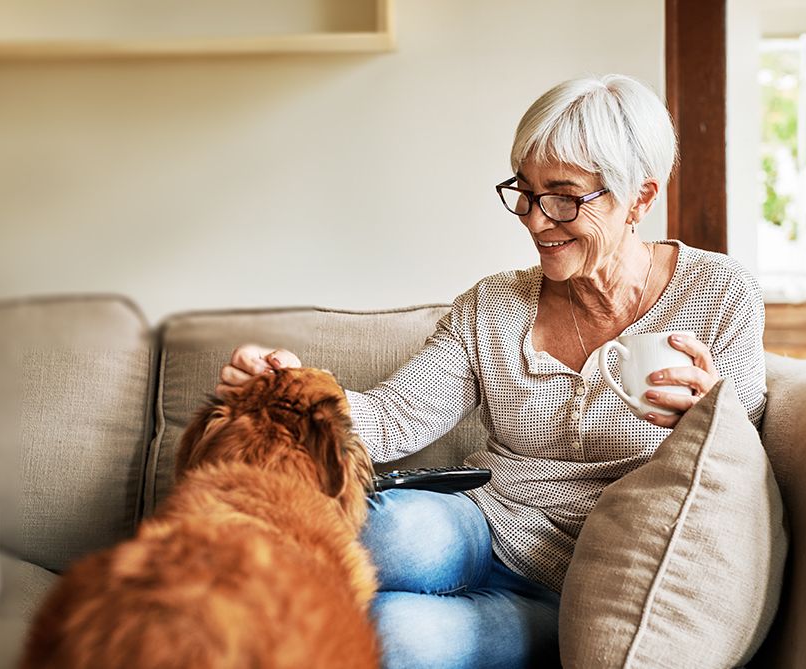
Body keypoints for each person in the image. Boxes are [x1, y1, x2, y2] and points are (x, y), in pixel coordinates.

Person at [214, 74, 767, 668]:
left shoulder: (717, 293)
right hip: (489, 521)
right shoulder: (494, 305)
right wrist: (292, 388)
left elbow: (744, 463)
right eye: (523, 192)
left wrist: (713, 410)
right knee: (386, 532)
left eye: (564, 197)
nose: (534, 221)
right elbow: (395, 416)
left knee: (393, 636)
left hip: (592, 579)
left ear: (640, 197)